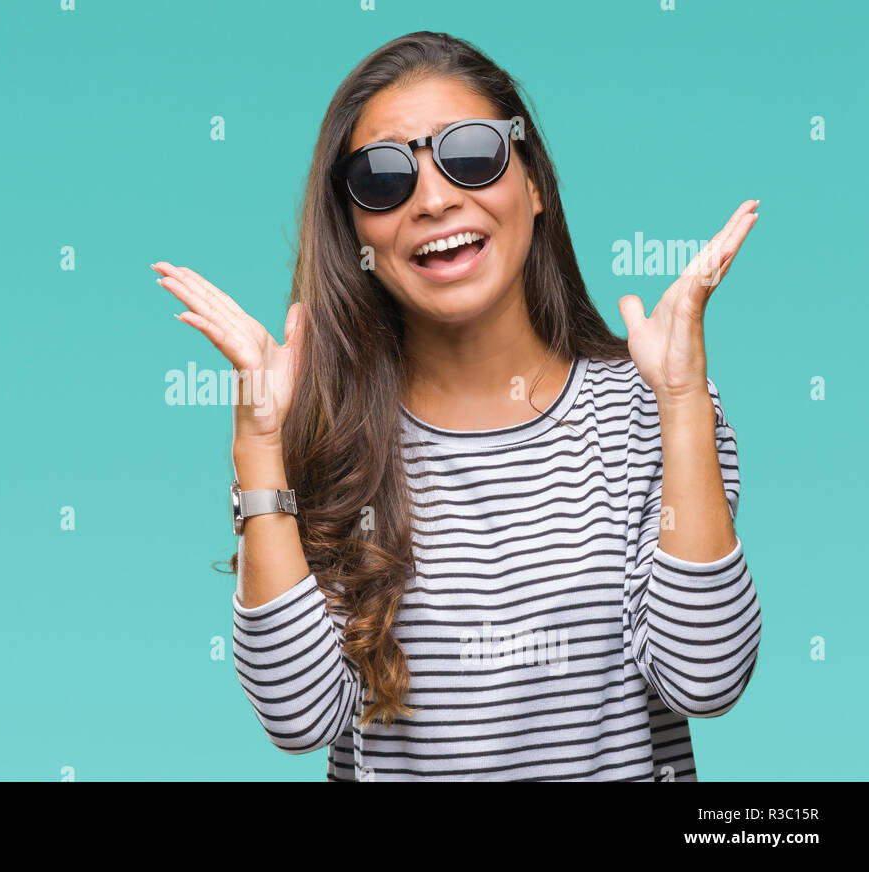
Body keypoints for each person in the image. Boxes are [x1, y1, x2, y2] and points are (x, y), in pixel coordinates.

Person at [151, 31, 760, 781]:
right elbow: (299, 716)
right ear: (353, 230)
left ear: (533, 185)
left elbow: (706, 678)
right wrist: (259, 449)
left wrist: (680, 404)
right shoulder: (324, 435)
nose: (435, 198)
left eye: (471, 154)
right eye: (383, 177)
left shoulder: (652, 411)